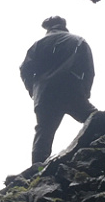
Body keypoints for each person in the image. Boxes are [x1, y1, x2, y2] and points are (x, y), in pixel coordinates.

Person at [19, 16, 96, 164]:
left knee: (44, 133)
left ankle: (37, 169)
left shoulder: (38, 44)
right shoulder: (78, 40)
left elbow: (25, 70)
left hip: (45, 95)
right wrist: (85, 92)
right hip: (71, 90)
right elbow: (89, 70)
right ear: (63, 25)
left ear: (48, 28)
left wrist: (33, 91)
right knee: (94, 118)